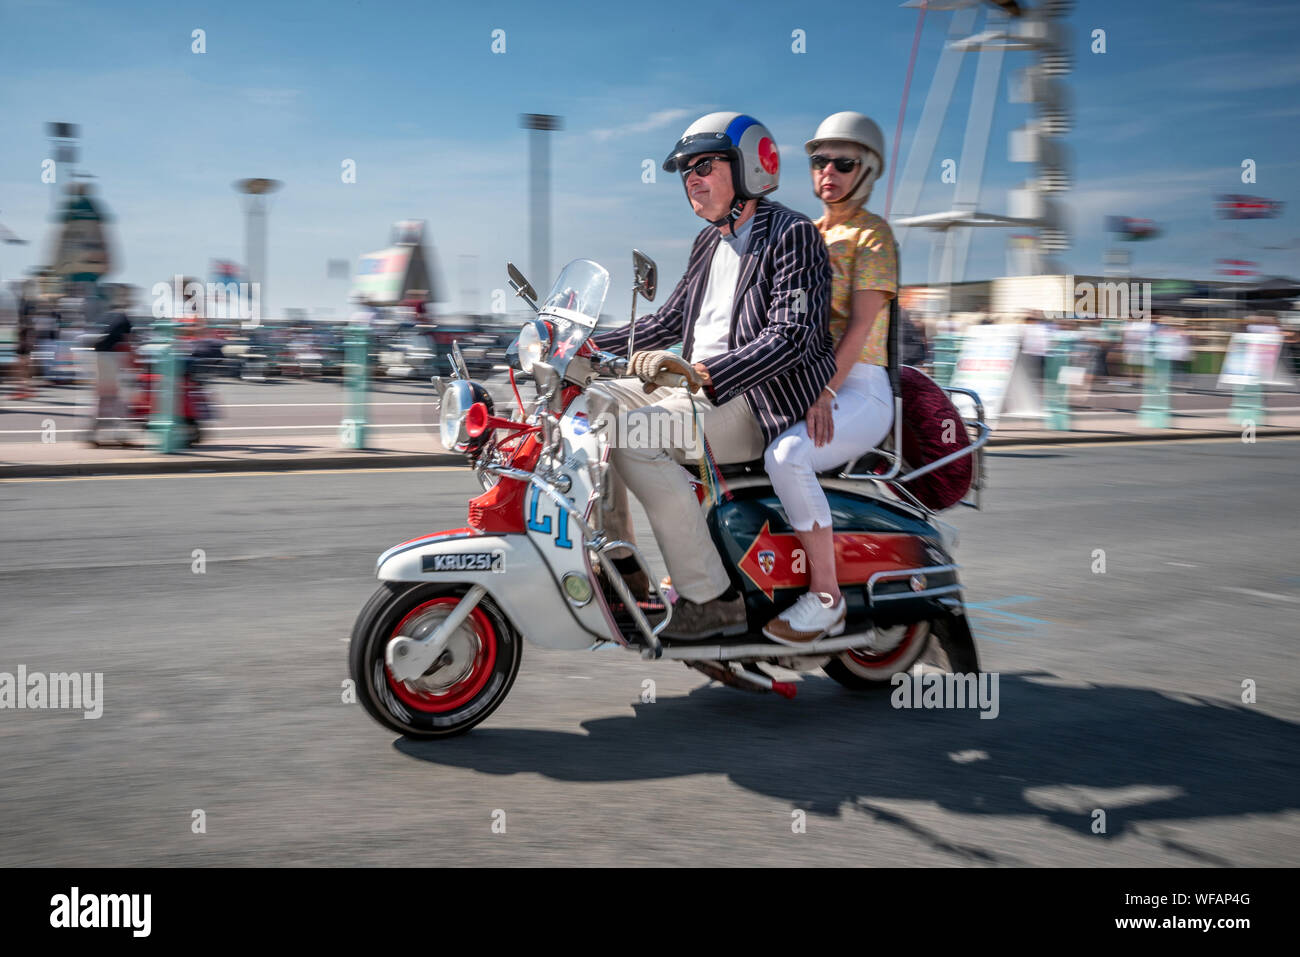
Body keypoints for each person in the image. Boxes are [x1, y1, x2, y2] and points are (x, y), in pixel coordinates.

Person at [588, 112, 836, 640]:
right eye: (685, 171)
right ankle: (621, 563)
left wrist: (702, 371)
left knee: (634, 439)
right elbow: (668, 321)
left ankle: (711, 597)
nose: (691, 179)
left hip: (753, 401)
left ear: (747, 166)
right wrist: (585, 343)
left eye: (705, 165)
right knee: (590, 409)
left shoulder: (792, 235)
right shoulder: (707, 243)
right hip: (694, 389)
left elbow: (791, 335)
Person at [759, 111, 897, 644]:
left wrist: (824, 390)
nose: (828, 172)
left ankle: (826, 600)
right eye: (819, 161)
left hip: (857, 387)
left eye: (844, 162)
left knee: (788, 457)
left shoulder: (873, 236)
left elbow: (860, 328)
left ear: (867, 171)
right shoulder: (805, 233)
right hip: (805, 385)